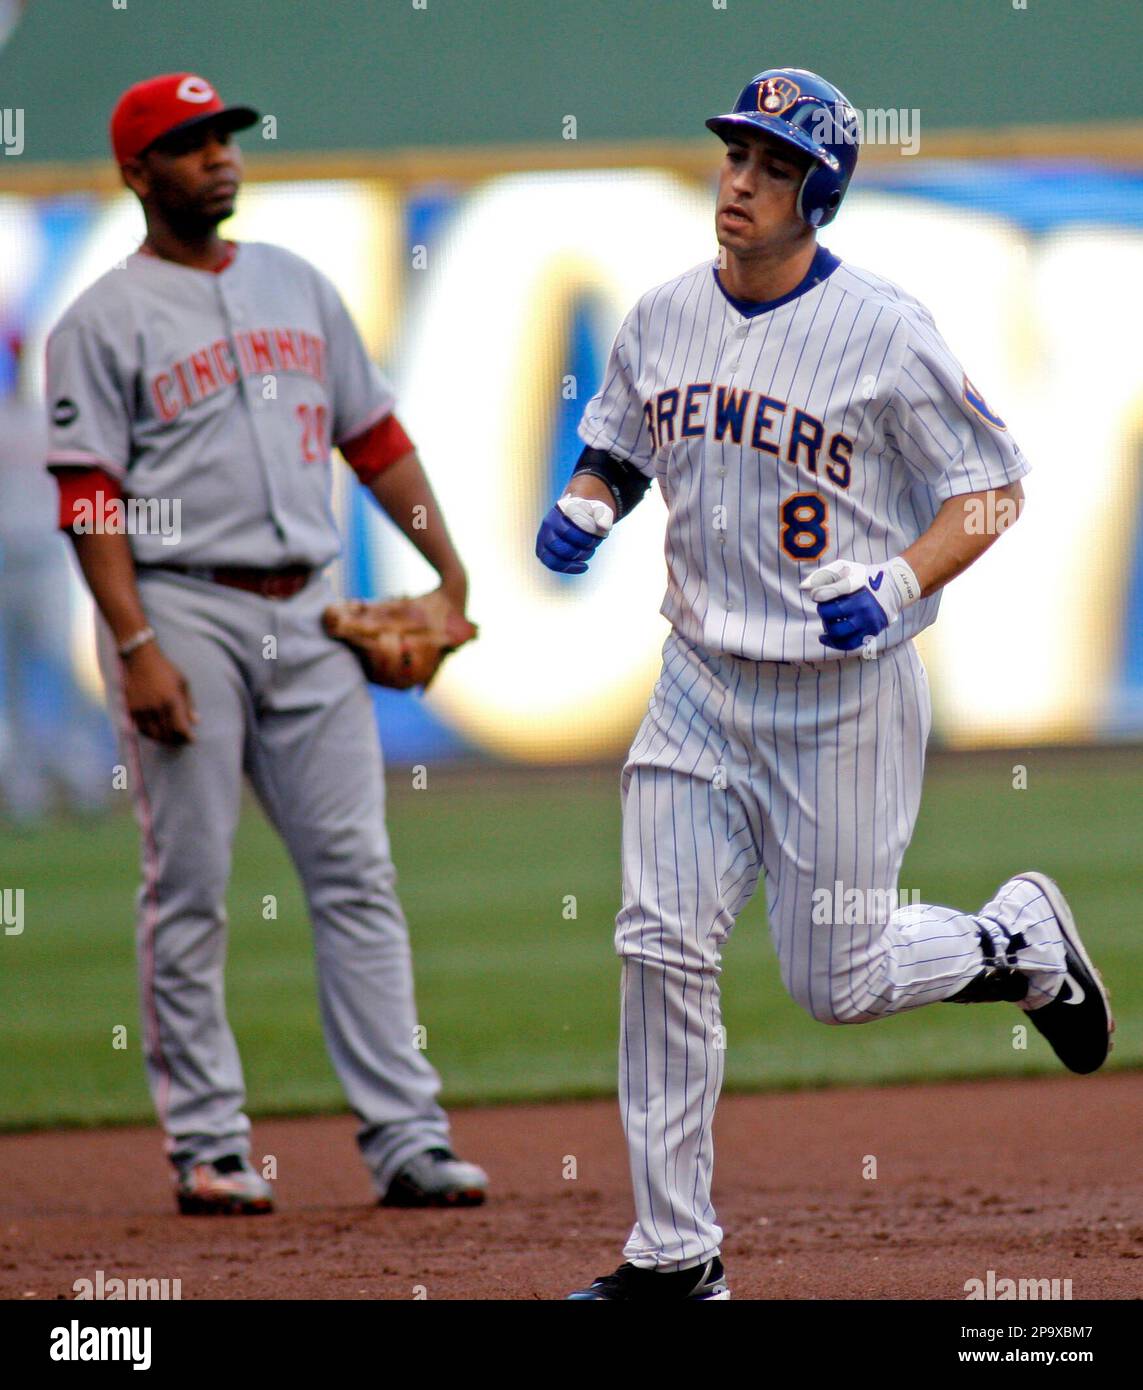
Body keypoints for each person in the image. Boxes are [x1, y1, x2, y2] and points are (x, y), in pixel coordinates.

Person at [536, 67, 1112, 1301]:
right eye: (736, 155)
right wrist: (589, 501)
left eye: (773, 165)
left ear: (823, 189)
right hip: (697, 681)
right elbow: (621, 445)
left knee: (836, 983)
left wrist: (902, 583)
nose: (740, 180)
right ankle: (675, 1256)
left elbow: (993, 485)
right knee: (658, 948)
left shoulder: (887, 330)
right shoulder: (662, 314)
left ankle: (1013, 939)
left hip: (839, 701)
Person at [45, 72, 487, 1215]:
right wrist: (133, 640)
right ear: (140, 173)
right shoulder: (102, 317)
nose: (219, 158)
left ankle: (408, 1139)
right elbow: (89, 498)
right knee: (188, 881)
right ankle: (208, 1144)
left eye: (225, 138)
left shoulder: (298, 283)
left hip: (314, 612)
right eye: (191, 145)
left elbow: (374, 436)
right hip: (180, 605)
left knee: (357, 875)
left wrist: (448, 569)